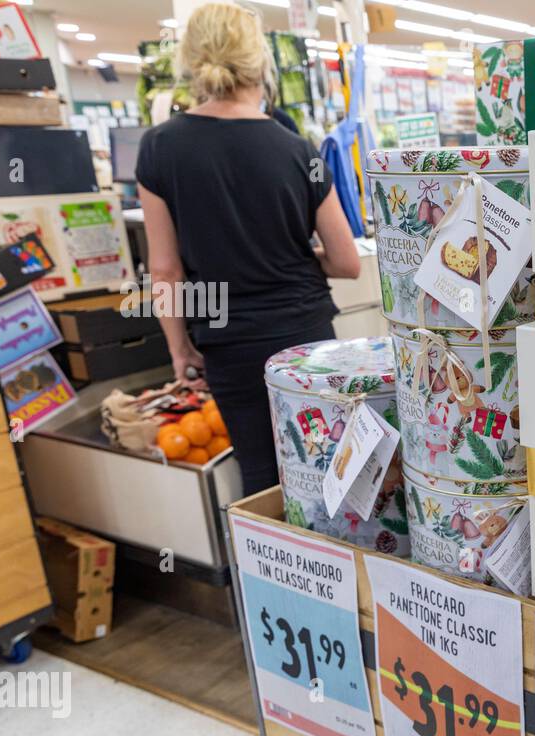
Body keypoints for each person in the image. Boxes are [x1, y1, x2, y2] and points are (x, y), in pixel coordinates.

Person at [136, 3, 360, 496]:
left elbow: (166, 271)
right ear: (260, 62)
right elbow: (346, 262)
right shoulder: (299, 150)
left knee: (262, 478)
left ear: (190, 62)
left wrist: (179, 350)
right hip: (308, 337)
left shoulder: (158, 149)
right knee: (328, 473)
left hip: (228, 340)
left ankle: (266, 571)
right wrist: (296, 259)